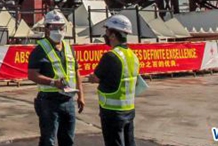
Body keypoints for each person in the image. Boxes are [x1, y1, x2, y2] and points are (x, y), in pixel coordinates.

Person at [27, 10, 85, 146]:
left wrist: (81, 95)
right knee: (49, 140)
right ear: (46, 28)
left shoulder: (68, 48)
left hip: (68, 100)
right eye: (54, 27)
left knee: (68, 139)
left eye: (61, 27)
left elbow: (76, 72)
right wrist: (53, 82)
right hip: (49, 100)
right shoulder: (40, 50)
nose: (58, 30)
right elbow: (32, 74)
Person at [87, 15, 139, 146]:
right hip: (129, 109)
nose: (105, 35)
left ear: (113, 35)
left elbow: (96, 78)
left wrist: (90, 77)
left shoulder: (110, 56)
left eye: (107, 32)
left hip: (111, 111)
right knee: (129, 142)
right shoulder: (133, 56)